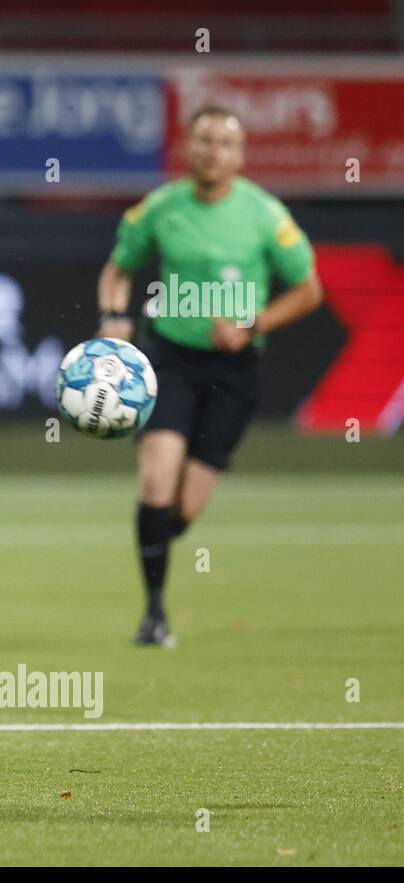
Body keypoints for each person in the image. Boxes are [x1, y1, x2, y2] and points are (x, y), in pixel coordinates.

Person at [96, 106, 323, 647]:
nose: (213, 151)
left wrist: (253, 324)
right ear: (188, 147)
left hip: (234, 373)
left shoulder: (265, 215)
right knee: (156, 480)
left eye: (225, 142)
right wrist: (113, 316)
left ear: (240, 156)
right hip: (170, 360)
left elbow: (309, 290)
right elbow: (120, 266)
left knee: (182, 510)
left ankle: (157, 536)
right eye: (204, 139)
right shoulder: (161, 207)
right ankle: (154, 615)